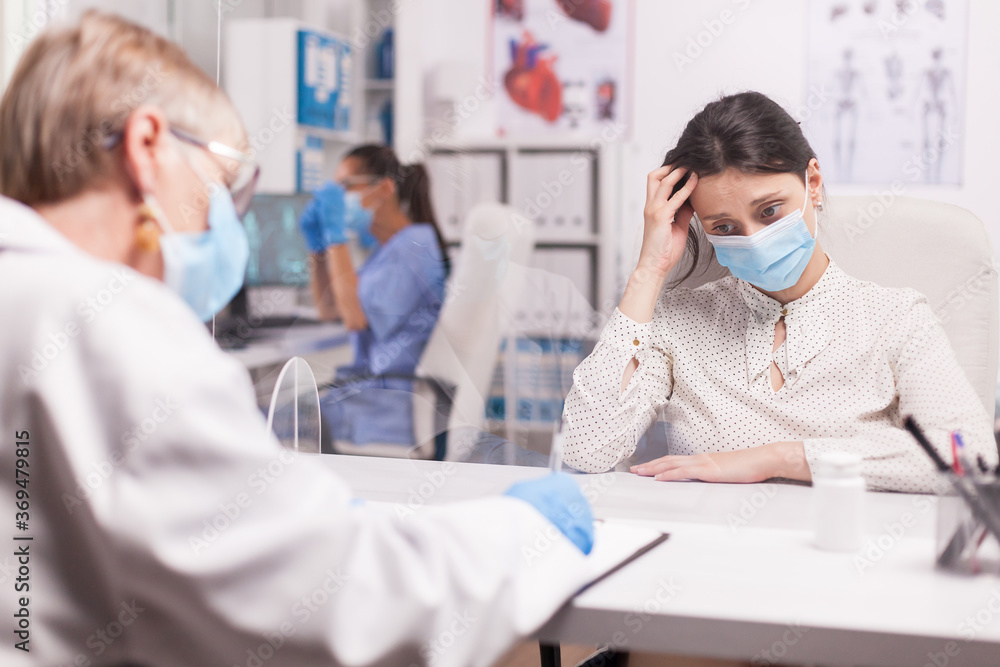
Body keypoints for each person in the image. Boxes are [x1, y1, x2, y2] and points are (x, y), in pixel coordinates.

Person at [0, 12, 596, 666]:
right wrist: (527, 532)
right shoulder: (110, 323)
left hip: (400, 401)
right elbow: (344, 598)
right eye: (226, 186)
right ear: (148, 144)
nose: (226, 217)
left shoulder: (410, 249)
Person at [562, 91, 997, 494]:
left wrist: (780, 458)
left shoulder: (896, 317)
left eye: (770, 211)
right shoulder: (677, 319)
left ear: (812, 182)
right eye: (724, 228)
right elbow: (588, 451)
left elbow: (971, 458)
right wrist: (648, 272)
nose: (752, 240)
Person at [300, 146, 449, 450]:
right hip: (367, 399)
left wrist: (336, 235)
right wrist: (318, 249)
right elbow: (330, 309)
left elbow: (355, 318)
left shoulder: (415, 246)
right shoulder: (387, 249)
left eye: (346, 186)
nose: (340, 199)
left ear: (384, 188)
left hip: (387, 410)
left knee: (261, 423)